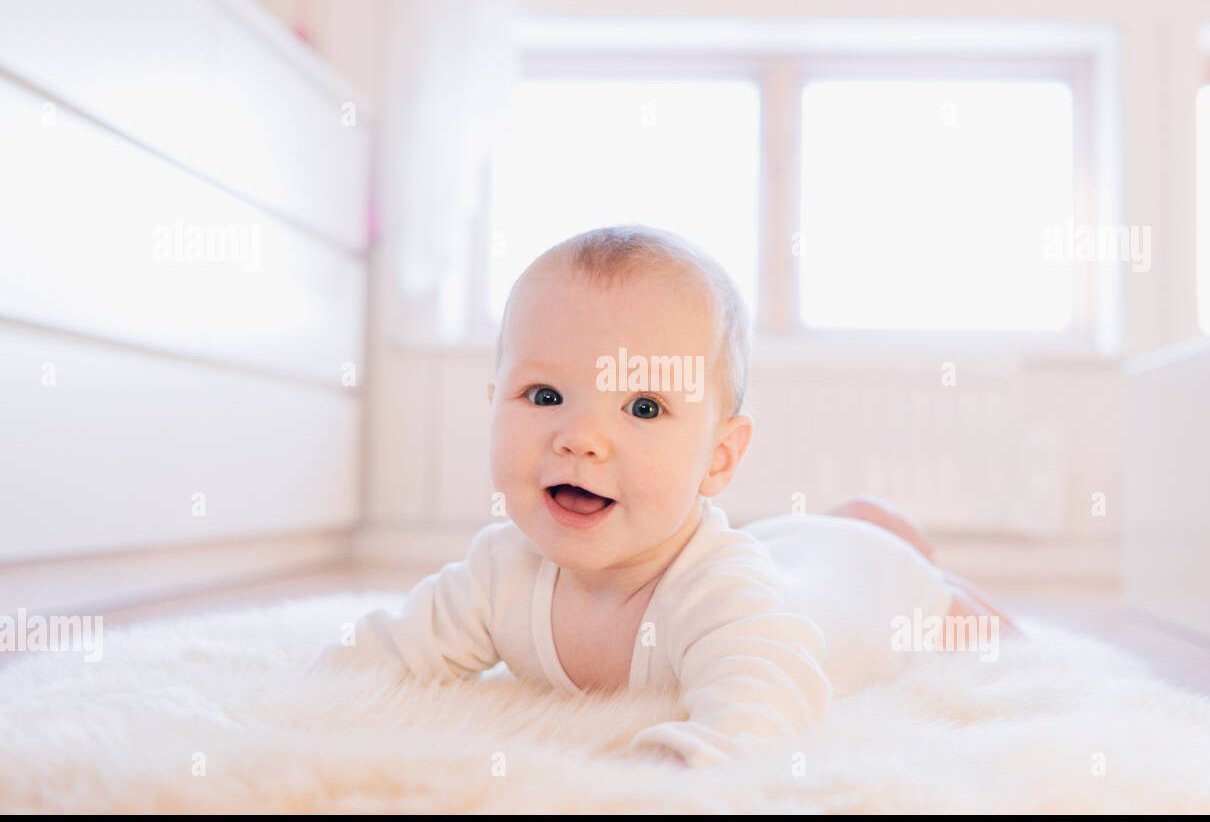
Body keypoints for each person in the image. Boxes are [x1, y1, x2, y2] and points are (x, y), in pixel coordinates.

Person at [313, 224, 1020, 768]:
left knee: (961, 615)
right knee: (800, 541)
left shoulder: (724, 597)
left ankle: (889, 539)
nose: (581, 438)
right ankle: (856, 521)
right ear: (494, 401)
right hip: (785, 552)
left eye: (643, 407)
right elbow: (385, 657)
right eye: (546, 395)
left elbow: (764, 709)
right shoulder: (501, 573)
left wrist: (675, 777)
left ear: (718, 457)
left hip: (868, 585)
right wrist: (307, 699)